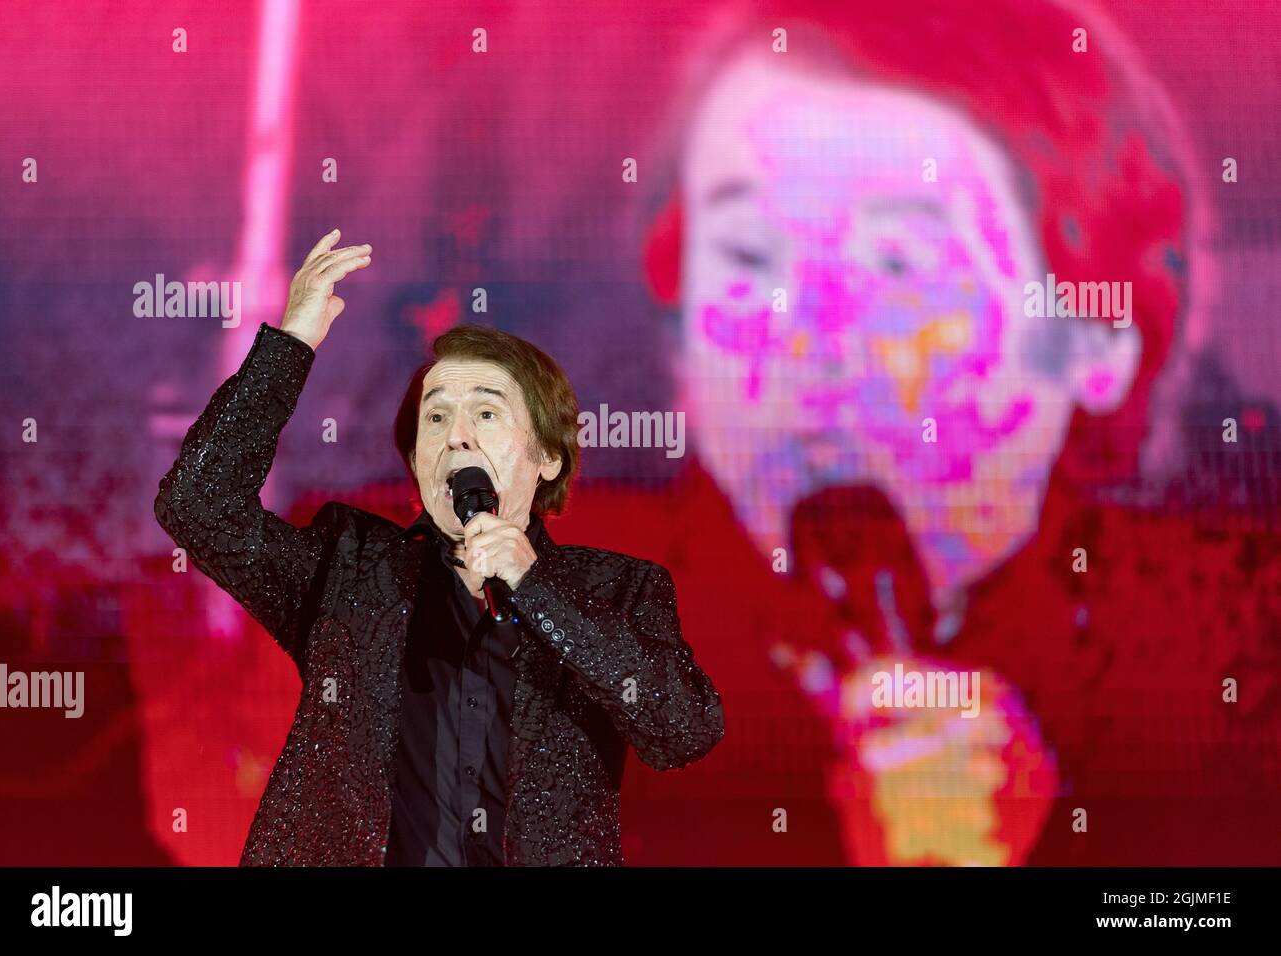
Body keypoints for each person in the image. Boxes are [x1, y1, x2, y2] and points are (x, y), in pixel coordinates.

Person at [546, 0, 1280, 865]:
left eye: (897, 267)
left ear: (1096, 336)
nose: (805, 335)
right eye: (748, 257)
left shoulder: (1234, 674)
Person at [153, 229, 724, 866]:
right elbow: (198, 508)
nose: (456, 435)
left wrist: (535, 587)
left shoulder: (619, 591)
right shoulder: (349, 569)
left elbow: (683, 728)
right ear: (417, 460)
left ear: (547, 458)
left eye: (486, 413)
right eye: (434, 417)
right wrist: (290, 345)